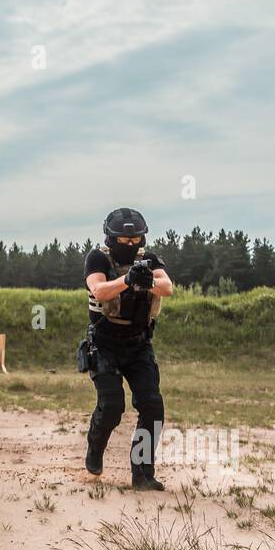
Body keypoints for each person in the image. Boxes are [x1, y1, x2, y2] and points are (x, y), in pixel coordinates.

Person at [83, 207, 174, 490]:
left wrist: (149, 280)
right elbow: (99, 290)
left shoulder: (149, 259)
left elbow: (167, 286)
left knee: (152, 406)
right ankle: (95, 449)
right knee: (111, 406)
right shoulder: (97, 258)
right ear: (111, 238)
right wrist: (127, 280)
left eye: (135, 239)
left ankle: (143, 474)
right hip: (104, 344)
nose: (131, 244)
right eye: (124, 240)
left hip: (138, 346)